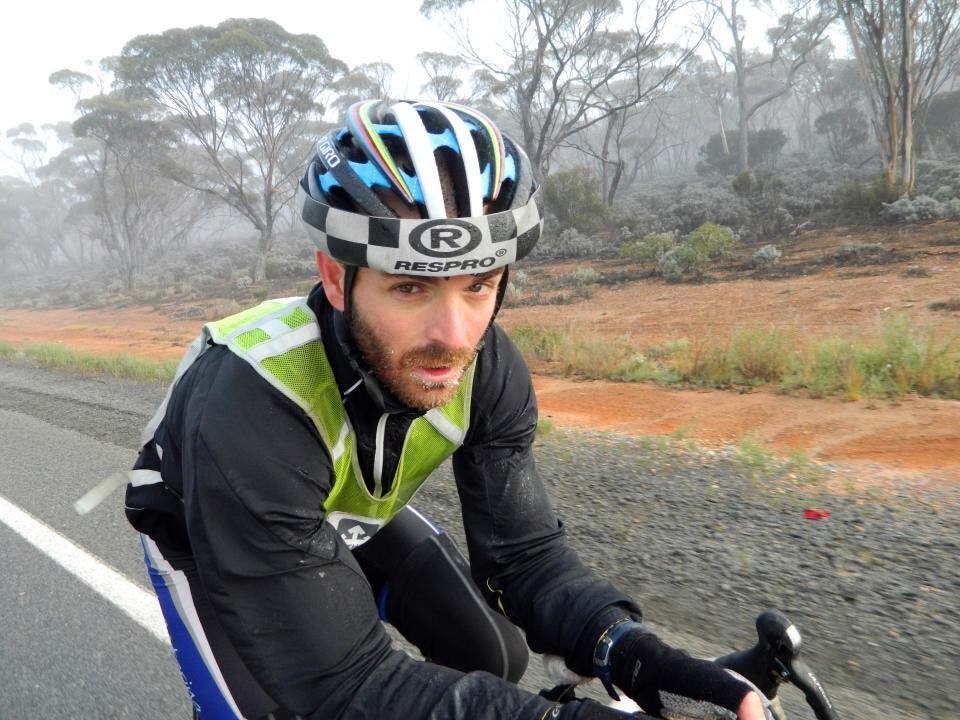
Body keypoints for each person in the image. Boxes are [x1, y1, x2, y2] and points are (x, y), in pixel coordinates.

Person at [126, 99, 769, 720]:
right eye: (410, 288)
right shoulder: (249, 402)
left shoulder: (484, 365)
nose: (455, 337)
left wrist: (639, 658)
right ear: (333, 278)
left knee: (492, 653)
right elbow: (343, 685)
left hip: (346, 503)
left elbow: (525, 557)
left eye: (478, 285)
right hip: (211, 536)